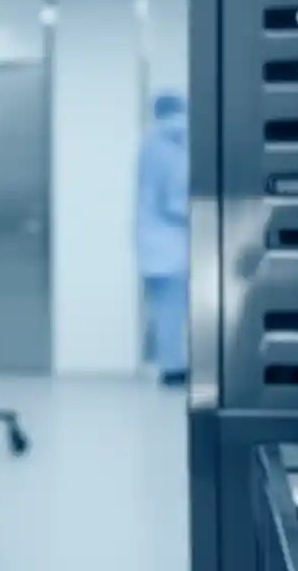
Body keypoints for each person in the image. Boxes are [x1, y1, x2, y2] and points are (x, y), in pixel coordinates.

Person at [137, 93, 190, 387]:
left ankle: (169, 364)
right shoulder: (173, 145)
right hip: (170, 245)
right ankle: (174, 368)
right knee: (172, 310)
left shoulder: (151, 143)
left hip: (152, 246)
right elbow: (174, 202)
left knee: (162, 309)